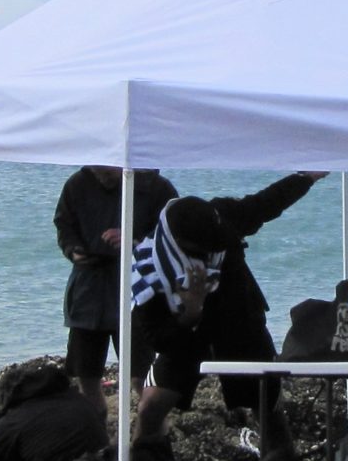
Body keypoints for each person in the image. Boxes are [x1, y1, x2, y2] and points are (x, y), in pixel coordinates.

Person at [128, 172, 328, 443]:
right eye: (206, 249)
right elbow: (159, 338)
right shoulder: (150, 271)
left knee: (267, 407)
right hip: (185, 338)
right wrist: (191, 310)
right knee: (150, 408)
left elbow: (266, 203)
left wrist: (306, 177)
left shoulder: (220, 216)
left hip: (240, 322)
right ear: (183, 246)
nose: (213, 251)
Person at [54, 166, 179, 416]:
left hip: (138, 289)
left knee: (140, 376)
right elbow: (64, 223)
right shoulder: (79, 183)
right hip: (89, 290)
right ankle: (97, 434)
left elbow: (173, 233)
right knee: (87, 376)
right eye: (96, 167)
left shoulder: (154, 186)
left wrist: (134, 240)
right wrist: (73, 249)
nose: (101, 173)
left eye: (107, 169)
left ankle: (154, 432)